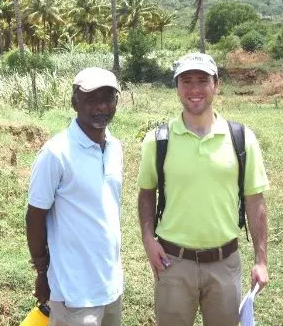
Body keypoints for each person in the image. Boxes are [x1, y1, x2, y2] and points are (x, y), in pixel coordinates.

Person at [137, 53, 269, 326]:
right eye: (186, 81)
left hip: (225, 262)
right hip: (173, 263)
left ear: (216, 85)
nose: (194, 89)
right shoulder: (158, 140)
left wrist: (261, 260)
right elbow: (147, 193)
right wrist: (148, 240)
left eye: (202, 81)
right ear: (177, 88)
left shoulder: (242, 138)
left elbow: (255, 201)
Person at [26, 67, 123, 326]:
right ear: (74, 102)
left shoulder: (115, 148)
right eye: (92, 99)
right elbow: (35, 216)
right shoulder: (56, 153)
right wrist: (41, 272)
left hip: (111, 287)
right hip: (73, 293)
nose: (101, 106)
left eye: (108, 98)